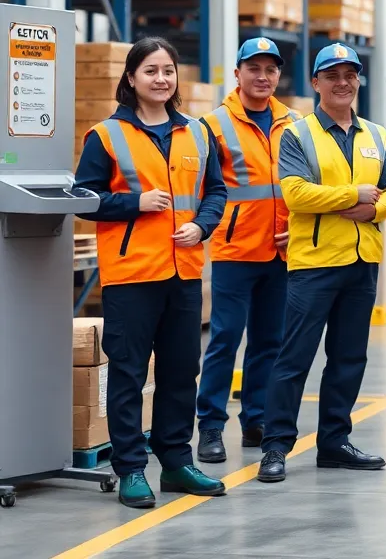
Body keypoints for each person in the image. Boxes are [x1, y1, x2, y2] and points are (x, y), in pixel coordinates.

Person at [73, 37, 228, 508]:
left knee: (183, 372)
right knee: (129, 373)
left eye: (168, 70)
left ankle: (177, 462)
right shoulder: (106, 136)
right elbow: (84, 198)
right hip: (132, 275)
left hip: (183, 273)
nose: (161, 79)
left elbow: (216, 193)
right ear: (130, 79)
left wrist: (202, 227)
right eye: (151, 71)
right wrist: (133, 204)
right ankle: (132, 470)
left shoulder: (198, 134)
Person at [256, 43, 386, 483]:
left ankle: (334, 441)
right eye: (333, 75)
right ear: (316, 83)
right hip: (314, 263)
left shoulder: (376, 135)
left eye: (350, 75)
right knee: (294, 357)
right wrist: (353, 195)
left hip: (362, 260)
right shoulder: (297, 134)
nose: (343, 83)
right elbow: (295, 193)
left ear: (358, 80)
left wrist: (375, 210)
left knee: (348, 357)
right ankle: (276, 446)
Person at [195, 38, 300, 463]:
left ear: (278, 75)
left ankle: (256, 418)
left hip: (280, 251)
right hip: (235, 250)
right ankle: (210, 427)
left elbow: (302, 187)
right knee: (224, 339)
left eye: (270, 69)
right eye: (253, 68)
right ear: (237, 73)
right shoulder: (212, 125)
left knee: (269, 343)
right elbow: (202, 190)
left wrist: (296, 229)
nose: (262, 76)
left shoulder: (294, 122)